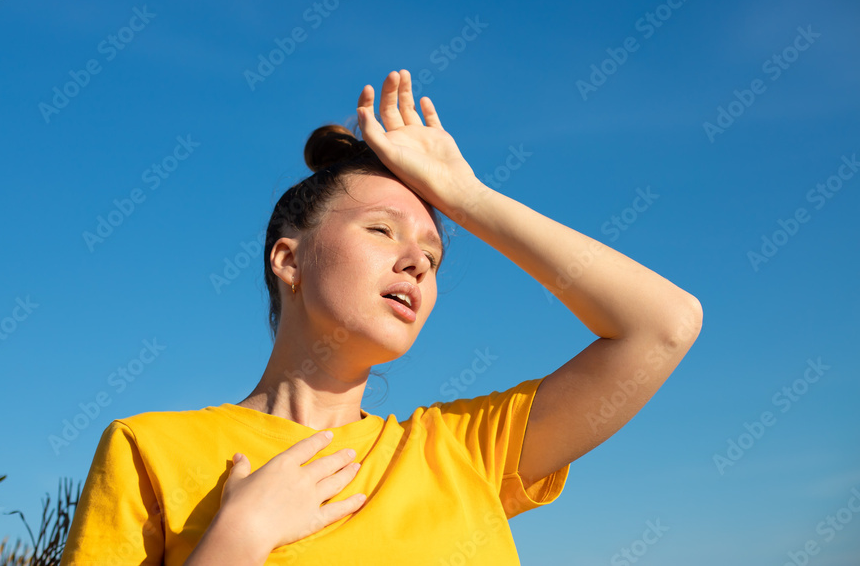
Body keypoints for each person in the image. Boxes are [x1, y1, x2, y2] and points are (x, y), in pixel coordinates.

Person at [59, 69, 703, 565]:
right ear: (289, 259)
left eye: (432, 254)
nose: (417, 264)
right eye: (381, 230)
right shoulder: (152, 451)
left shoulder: (467, 450)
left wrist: (468, 197)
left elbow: (664, 323)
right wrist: (237, 540)